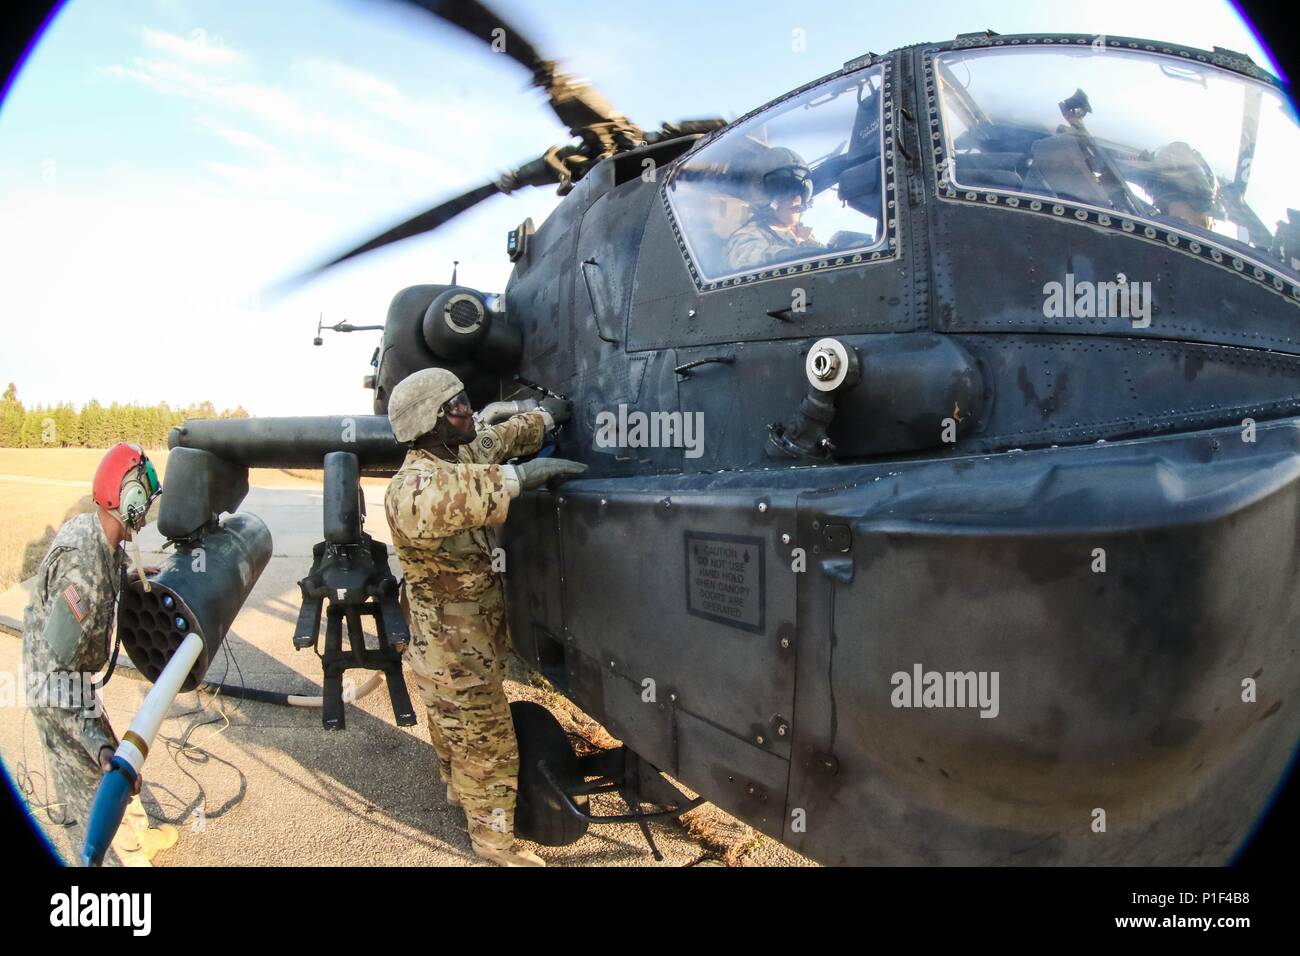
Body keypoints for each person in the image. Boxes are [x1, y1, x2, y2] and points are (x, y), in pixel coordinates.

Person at [384, 368, 586, 867]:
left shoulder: (456, 453)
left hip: (460, 646)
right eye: (457, 406)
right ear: (433, 422)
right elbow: (471, 493)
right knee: (489, 751)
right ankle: (494, 846)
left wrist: (543, 417)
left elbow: (499, 439)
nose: (468, 411)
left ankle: (459, 795)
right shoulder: (411, 490)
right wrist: (525, 476)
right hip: (455, 659)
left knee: (455, 737)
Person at [22, 442, 178, 866]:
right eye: (144, 497)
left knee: (119, 763)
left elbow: (100, 574)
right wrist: (94, 743)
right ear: (126, 499)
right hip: (58, 694)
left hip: (76, 681)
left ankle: (135, 840)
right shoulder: (83, 570)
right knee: (99, 791)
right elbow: (58, 677)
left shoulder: (101, 537)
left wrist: (127, 575)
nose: (147, 510)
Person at [726, 147, 825, 271]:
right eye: (786, 189)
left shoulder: (803, 235)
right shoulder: (747, 235)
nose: (797, 199)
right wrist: (787, 257)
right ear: (761, 196)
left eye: (801, 190)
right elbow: (748, 259)